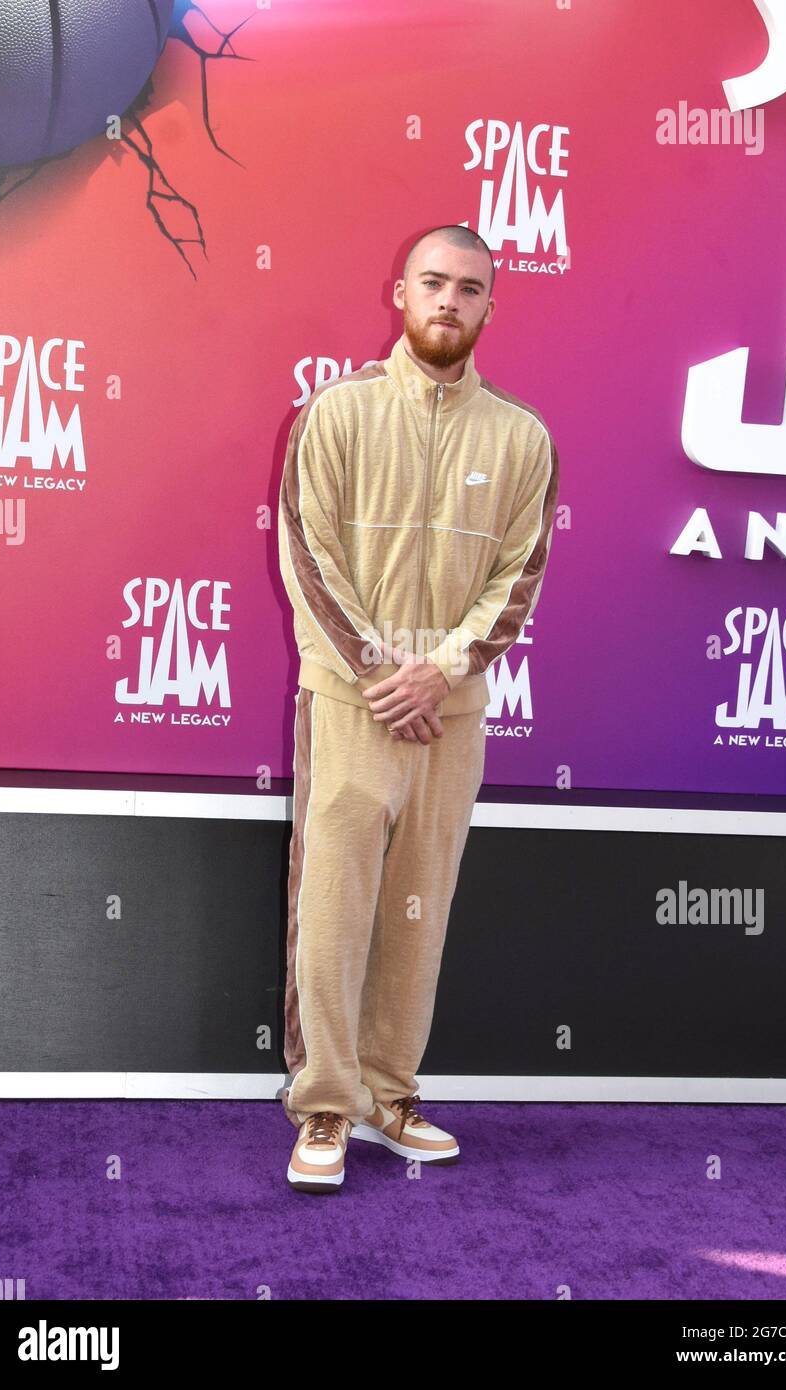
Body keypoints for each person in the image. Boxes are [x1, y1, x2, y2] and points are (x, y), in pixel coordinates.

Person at [276, 224, 559, 1192]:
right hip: (351, 704)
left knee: (416, 909)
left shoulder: (521, 436)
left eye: (468, 288)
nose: (448, 300)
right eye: (432, 282)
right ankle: (323, 1105)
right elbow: (310, 560)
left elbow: (517, 579)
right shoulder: (334, 411)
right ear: (398, 291)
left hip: (451, 711)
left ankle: (390, 1093)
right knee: (333, 904)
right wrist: (379, 674)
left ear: (489, 306)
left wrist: (436, 673)